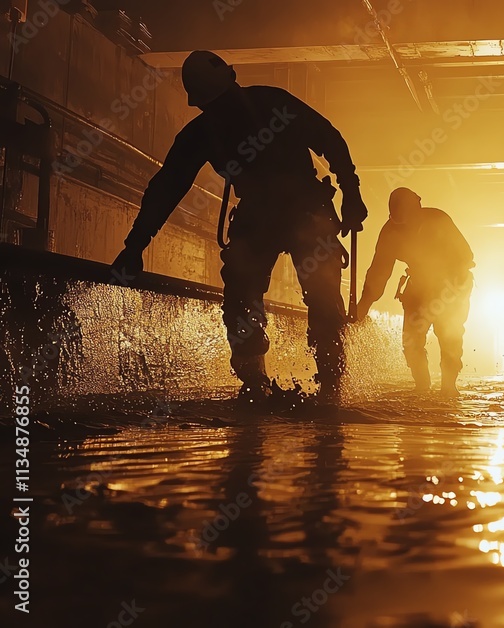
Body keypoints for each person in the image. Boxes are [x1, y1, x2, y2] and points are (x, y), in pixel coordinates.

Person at [110, 50, 367, 404]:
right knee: (251, 299)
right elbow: (167, 187)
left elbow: (330, 139)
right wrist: (135, 244)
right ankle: (266, 385)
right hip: (279, 214)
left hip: (299, 211)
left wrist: (352, 193)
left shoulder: (235, 117)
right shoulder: (240, 115)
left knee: (309, 298)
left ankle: (320, 388)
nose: (221, 113)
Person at [355, 188, 474, 396]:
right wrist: (363, 305)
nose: (406, 226)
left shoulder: (438, 220)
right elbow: (379, 271)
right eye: (400, 221)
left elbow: (466, 255)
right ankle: (422, 386)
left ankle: (448, 386)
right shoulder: (391, 232)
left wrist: (450, 282)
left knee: (450, 337)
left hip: (452, 286)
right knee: (411, 340)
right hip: (419, 286)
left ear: (418, 206)